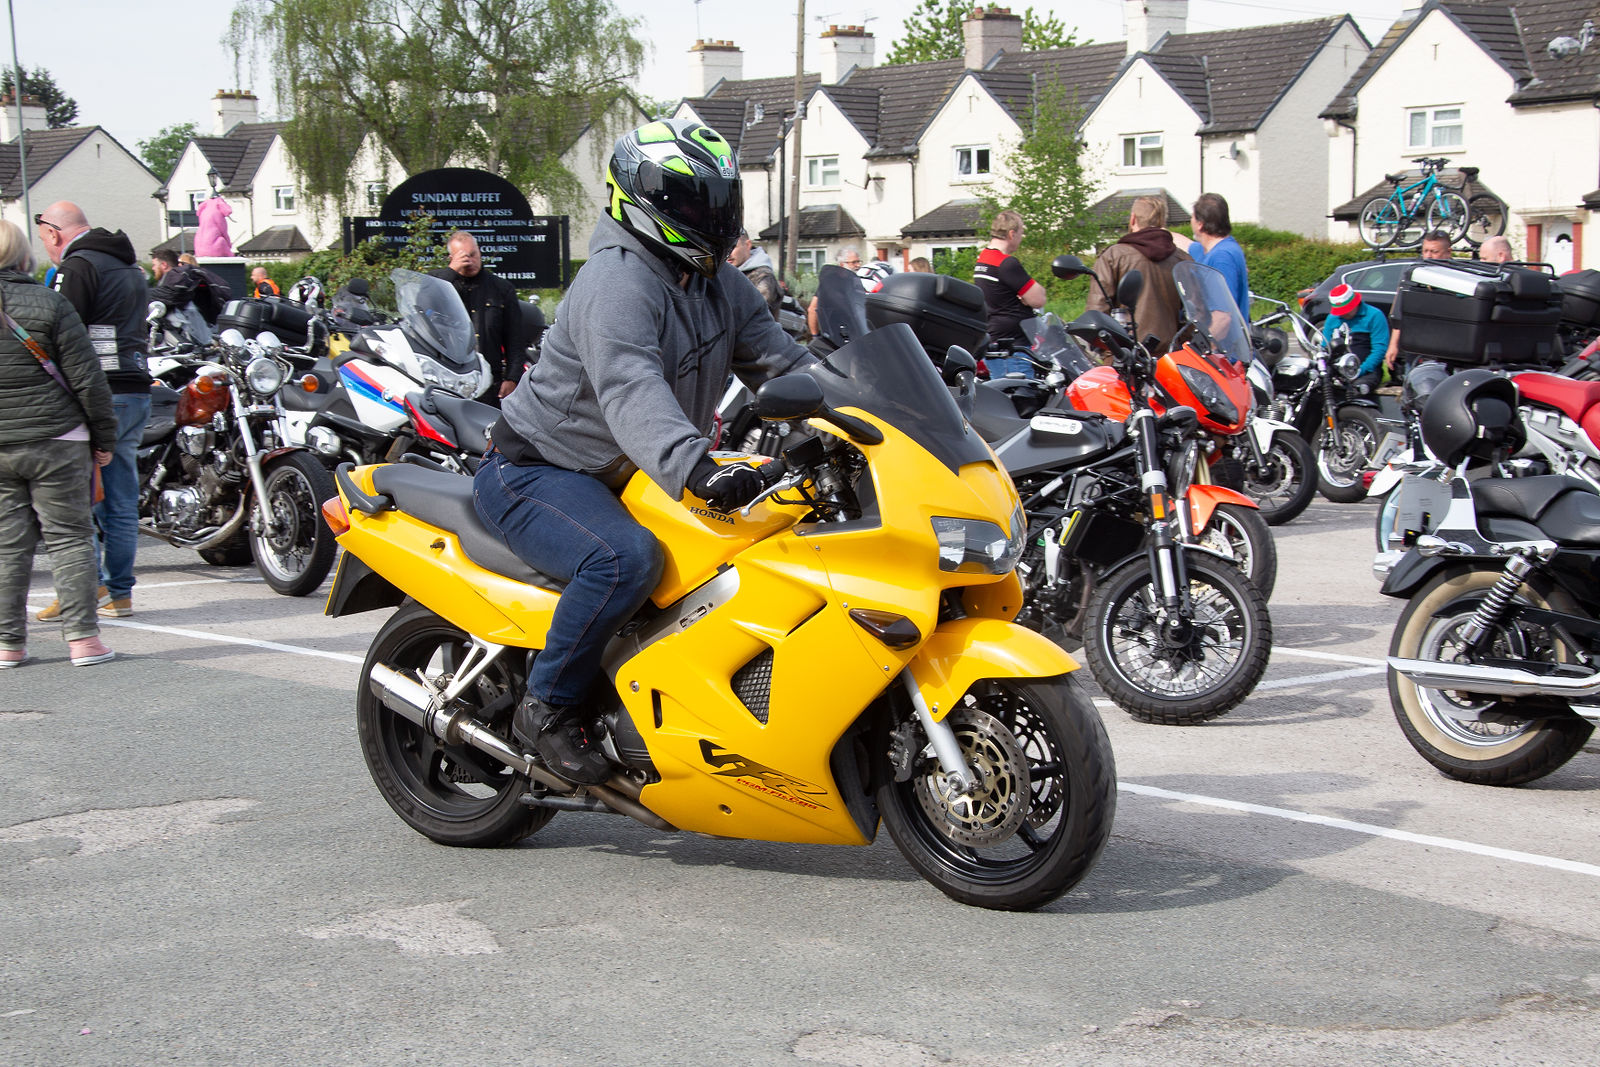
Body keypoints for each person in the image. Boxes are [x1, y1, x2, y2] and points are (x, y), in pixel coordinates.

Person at [476, 118, 814, 785]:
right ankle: (546, 707)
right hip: (538, 468)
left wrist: (862, 412)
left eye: (718, 203)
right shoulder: (616, 282)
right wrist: (694, 466)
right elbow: (631, 387)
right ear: (643, 199)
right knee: (623, 559)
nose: (712, 219)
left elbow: (785, 363)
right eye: (693, 203)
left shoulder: (719, 284)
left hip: (631, 470)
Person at [0, 220, 119, 667]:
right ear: (22, 256)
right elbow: (88, 379)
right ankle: (83, 640)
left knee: (8, 545)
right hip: (58, 439)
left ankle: (8, 644)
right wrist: (103, 437)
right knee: (70, 538)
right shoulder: (50, 303)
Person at [33, 202, 151, 623]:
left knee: (77, 501)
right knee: (120, 500)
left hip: (98, 392)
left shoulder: (78, 266)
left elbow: (59, 331)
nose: (47, 248)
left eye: (44, 238)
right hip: (135, 387)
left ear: (54, 232)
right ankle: (118, 593)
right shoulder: (129, 265)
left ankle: (81, 590)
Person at [1085, 194, 1192, 353]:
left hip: (1125, 356)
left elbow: (1097, 310)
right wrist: (1178, 345)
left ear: (1133, 219)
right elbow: (1194, 315)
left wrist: (1106, 349)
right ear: (1162, 222)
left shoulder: (1114, 256)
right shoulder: (1183, 260)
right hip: (1169, 357)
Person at [430, 231, 525, 402]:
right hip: (448, 377)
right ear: (452, 257)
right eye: (463, 257)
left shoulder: (501, 288)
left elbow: (515, 339)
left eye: (473, 254)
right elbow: (422, 304)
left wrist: (512, 378)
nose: (470, 261)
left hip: (489, 378)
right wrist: (452, 272)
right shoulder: (438, 283)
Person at [973, 209, 1046, 378]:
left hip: (996, 338)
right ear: (1012, 234)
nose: (1021, 238)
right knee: (1021, 391)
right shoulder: (1005, 263)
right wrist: (1026, 297)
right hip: (1012, 347)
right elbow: (1038, 299)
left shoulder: (983, 259)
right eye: (1021, 233)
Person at [1382, 230, 1455, 383]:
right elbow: (1399, 313)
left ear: (1448, 252)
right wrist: (1393, 346)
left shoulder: (1459, 277)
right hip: (1416, 348)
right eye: (1425, 251)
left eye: (1434, 252)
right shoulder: (1412, 274)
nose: (1428, 256)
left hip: (1447, 349)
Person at [1187, 193, 1249, 315]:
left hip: (1220, 327)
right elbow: (1183, 243)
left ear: (1200, 224)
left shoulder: (1222, 257)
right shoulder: (1207, 249)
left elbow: (1223, 315)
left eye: (1192, 217)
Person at [1321, 283, 1390, 393]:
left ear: (1355, 303)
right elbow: (1325, 347)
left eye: (1345, 310)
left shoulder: (1374, 315)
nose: (1342, 314)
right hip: (1336, 370)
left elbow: (1379, 349)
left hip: (1366, 370)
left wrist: (1360, 370)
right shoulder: (1332, 319)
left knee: (1355, 391)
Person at [806, 246, 863, 336]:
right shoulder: (830, 281)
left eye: (858, 261)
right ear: (842, 264)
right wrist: (815, 336)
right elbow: (812, 309)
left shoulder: (853, 280)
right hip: (835, 334)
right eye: (854, 262)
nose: (858, 265)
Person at [727, 229, 781, 318]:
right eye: (725, 247)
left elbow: (750, 314)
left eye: (733, 247)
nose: (728, 254)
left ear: (748, 245)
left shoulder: (763, 278)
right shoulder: (724, 273)